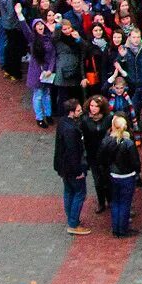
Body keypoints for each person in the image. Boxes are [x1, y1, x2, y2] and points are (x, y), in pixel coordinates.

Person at [97, 114, 140, 237]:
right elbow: (135, 162)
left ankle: (116, 229)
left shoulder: (106, 141)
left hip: (113, 175)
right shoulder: (128, 143)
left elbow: (100, 159)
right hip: (127, 176)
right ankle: (123, 230)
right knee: (125, 204)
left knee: (115, 202)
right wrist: (137, 172)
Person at [54, 98, 91, 236]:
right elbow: (73, 152)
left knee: (68, 192)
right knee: (79, 193)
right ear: (72, 112)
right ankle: (73, 223)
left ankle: (71, 218)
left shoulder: (62, 122)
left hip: (63, 167)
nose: (81, 112)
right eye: (78, 110)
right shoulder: (72, 130)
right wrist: (79, 170)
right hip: (73, 168)